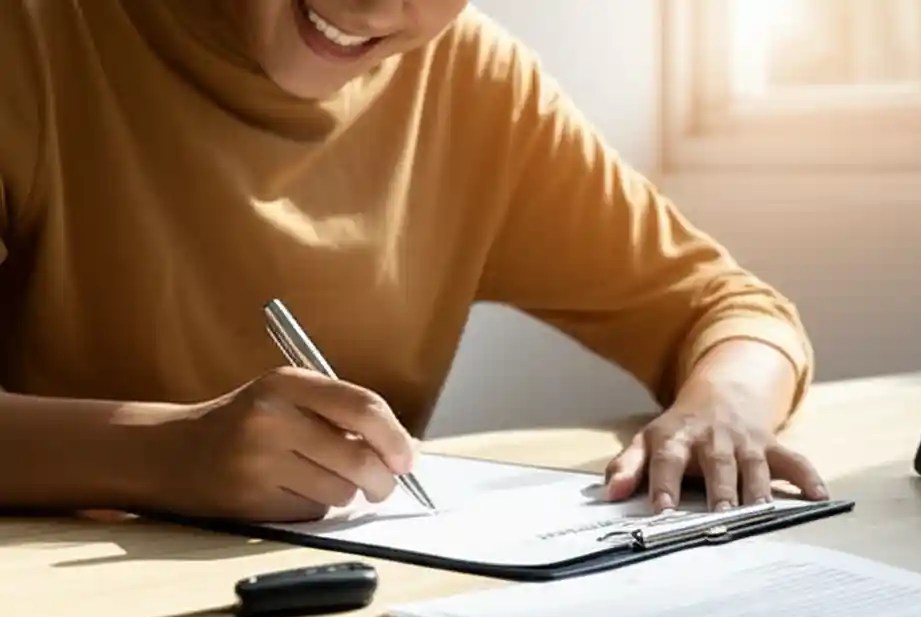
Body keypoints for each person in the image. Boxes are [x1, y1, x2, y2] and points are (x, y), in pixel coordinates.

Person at [0, 0, 827, 522]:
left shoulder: (473, 80)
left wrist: (722, 407)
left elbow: (728, 309)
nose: (377, 6)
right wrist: (162, 453)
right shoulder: (34, 36)